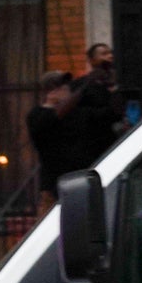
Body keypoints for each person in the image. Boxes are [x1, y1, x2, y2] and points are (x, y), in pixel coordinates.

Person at [26, 70, 85, 216]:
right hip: (53, 186)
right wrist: (54, 105)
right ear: (50, 92)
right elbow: (42, 128)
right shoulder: (37, 115)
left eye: (66, 87)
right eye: (61, 88)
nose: (66, 90)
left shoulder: (75, 113)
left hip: (78, 180)